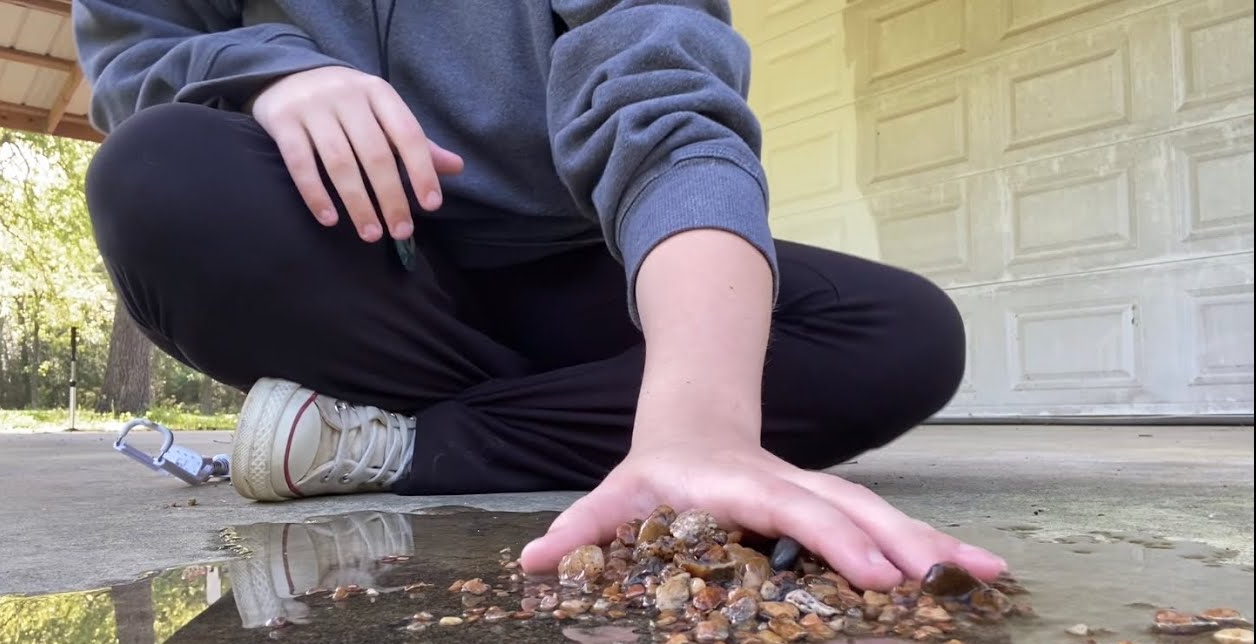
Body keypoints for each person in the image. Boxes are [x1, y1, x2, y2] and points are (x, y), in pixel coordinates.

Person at [73, 0, 1007, 592]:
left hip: (577, 265)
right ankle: (586, 416)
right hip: (352, 268)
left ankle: (393, 444)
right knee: (153, 172)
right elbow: (134, 58)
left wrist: (702, 421)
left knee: (901, 330)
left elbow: (667, 104)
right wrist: (271, 71)